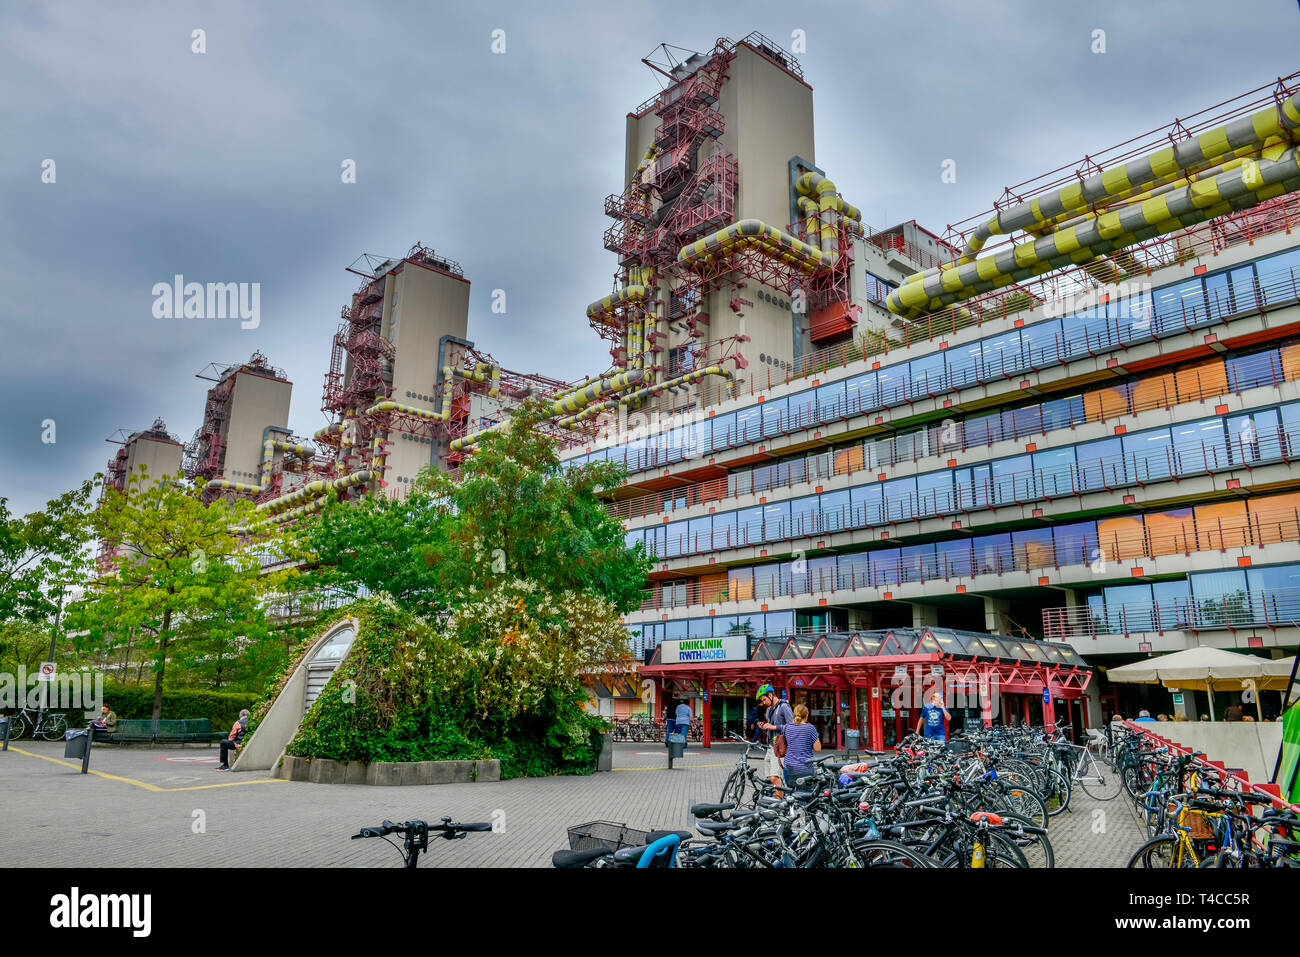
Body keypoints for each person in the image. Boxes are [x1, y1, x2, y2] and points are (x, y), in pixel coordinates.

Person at [756, 684, 793, 789]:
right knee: (769, 778)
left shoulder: (784, 706)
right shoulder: (769, 710)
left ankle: (779, 802)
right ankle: (776, 796)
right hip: (771, 746)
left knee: (775, 777)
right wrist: (765, 727)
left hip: (780, 747)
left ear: (770, 695)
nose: (763, 703)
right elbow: (771, 727)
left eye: (764, 699)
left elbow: (791, 726)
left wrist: (774, 727)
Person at [781, 704, 822, 788]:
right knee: (805, 795)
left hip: (789, 768)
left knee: (791, 794)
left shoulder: (787, 728)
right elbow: (818, 749)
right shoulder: (810, 728)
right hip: (805, 768)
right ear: (806, 715)